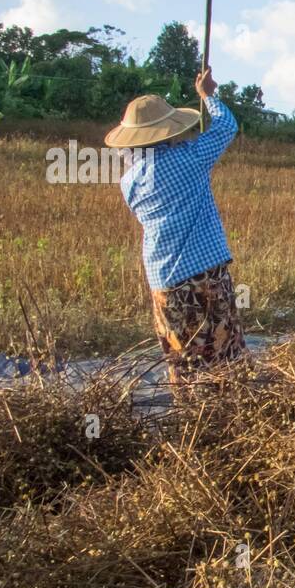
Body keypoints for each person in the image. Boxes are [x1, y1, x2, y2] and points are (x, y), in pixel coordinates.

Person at [108, 67, 246, 387]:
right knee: (222, 354)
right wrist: (208, 96)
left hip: (163, 283)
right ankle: (226, 417)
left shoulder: (129, 182)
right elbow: (226, 126)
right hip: (203, 276)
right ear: (167, 131)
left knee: (182, 358)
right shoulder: (188, 158)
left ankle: (188, 420)